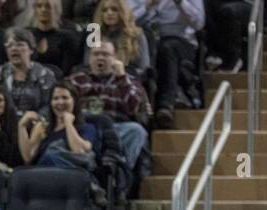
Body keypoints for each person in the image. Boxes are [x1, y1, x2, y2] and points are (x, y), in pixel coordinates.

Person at [69, 40, 150, 175]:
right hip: (85, 130)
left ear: (115, 58)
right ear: (89, 58)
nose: (100, 57)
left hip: (117, 129)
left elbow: (134, 107)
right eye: (96, 54)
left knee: (137, 131)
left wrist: (121, 79)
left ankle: (119, 174)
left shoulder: (129, 80)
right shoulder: (76, 80)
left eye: (106, 54)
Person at [133, 0, 205, 128]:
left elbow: (199, 24)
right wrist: (148, 7)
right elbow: (127, 22)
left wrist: (181, 4)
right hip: (149, 40)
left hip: (181, 41)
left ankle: (165, 105)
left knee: (167, 48)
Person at [19, 79, 100, 177]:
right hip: (42, 176)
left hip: (70, 179)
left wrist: (68, 123)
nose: (60, 102)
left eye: (65, 98)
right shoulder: (42, 127)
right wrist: (21, 126)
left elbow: (79, 151)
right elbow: (28, 158)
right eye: (55, 98)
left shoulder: (87, 128)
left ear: (74, 101)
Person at [0, 26, 54, 114]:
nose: (14, 48)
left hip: (35, 123)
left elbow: (49, 105)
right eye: (9, 46)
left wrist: (38, 119)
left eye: (19, 44)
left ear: (31, 49)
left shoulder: (44, 74)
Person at [26, 0, 81, 77]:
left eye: (48, 6)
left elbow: (68, 70)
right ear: (35, 9)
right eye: (39, 6)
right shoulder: (27, 35)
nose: (43, 9)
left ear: (56, 9)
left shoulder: (67, 37)